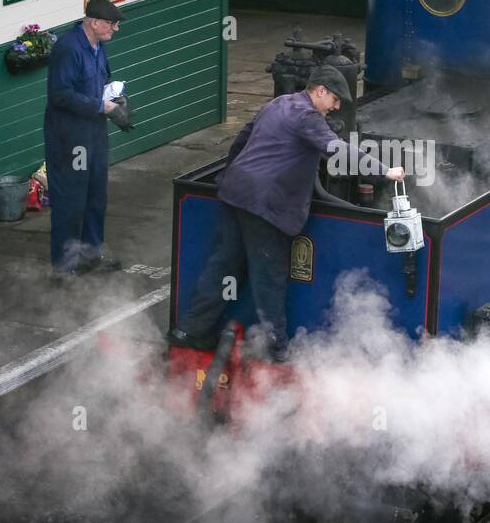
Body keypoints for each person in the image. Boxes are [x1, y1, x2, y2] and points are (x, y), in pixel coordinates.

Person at [170, 67, 403, 361]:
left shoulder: (278, 103)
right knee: (269, 277)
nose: (337, 106)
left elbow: (243, 137)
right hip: (265, 205)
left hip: (235, 194)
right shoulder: (307, 117)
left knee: (223, 266)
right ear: (319, 90)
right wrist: (384, 171)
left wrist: (232, 174)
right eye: (334, 99)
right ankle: (275, 349)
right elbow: (338, 150)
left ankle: (188, 331)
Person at [44, 0, 127, 277]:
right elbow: (60, 95)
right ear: (93, 22)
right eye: (111, 24)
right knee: (70, 199)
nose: (115, 29)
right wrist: (103, 107)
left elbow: (104, 82)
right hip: (70, 138)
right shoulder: (68, 49)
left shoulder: (98, 47)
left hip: (95, 134)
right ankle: (64, 264)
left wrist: (118, 99)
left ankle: (92, 253)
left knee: (95, 196)